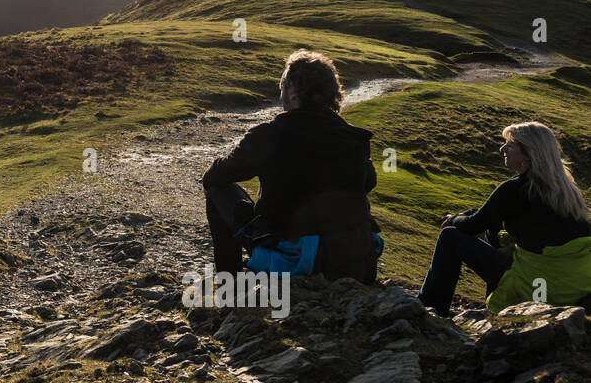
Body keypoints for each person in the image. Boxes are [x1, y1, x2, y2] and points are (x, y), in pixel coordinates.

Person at [202, 49, 381, 282]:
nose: (281, 95)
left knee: (217, 188)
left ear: (294, 91)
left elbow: (216, 175)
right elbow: (369, 183)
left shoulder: (269, 134)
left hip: (292, 261)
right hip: (355, 265)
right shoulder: (356, 139)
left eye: (283, 87)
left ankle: (230, 282)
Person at [418, 121, 591, 316]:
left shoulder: (515, 189)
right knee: (497, 236)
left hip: (541, 282)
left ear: (528, 153)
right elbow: (492, 216)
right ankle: (492, 313)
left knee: (450, 236)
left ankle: (428, 309)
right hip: (575, 282)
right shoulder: (566, 192)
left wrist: (453, 219)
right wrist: (470, 214)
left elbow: (472, 226)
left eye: (510, 144)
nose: (502, 148)